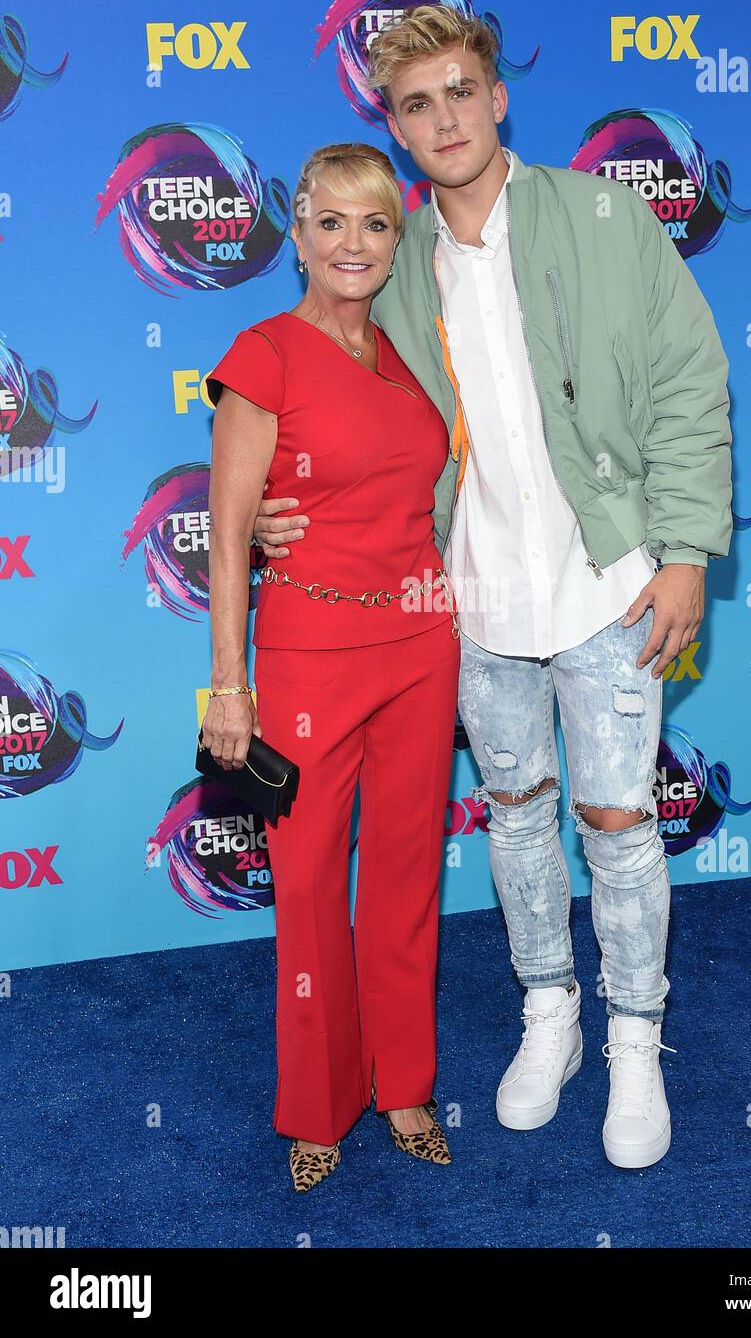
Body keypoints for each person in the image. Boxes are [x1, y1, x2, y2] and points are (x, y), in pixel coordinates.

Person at [252, 6, 733, 1170]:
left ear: (498, 96)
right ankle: (549, 1014)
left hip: (612, 581)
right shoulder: (397, 255)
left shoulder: (603, 214)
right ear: (394, 122)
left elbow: (688, 376)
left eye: (460, 91)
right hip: (465, 598)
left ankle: (631, 1038)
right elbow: (338, 396)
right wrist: (275, 502)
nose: (443, 118)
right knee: (513, 816)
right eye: (416, 103)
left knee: (617, 825)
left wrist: (681, 552)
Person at [202, 141, 462, 1192]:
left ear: (397, 243)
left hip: (422, 643)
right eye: (330, 222)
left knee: (403, 877)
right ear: (297, 234)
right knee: (309, 885)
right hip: (309, 649)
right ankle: (317, 1104)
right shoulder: (263, 352)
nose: (352, 243)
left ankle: (402, 1082)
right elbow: (227, 533)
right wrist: (229, 682)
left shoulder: (406, 354)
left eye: (375, 223)